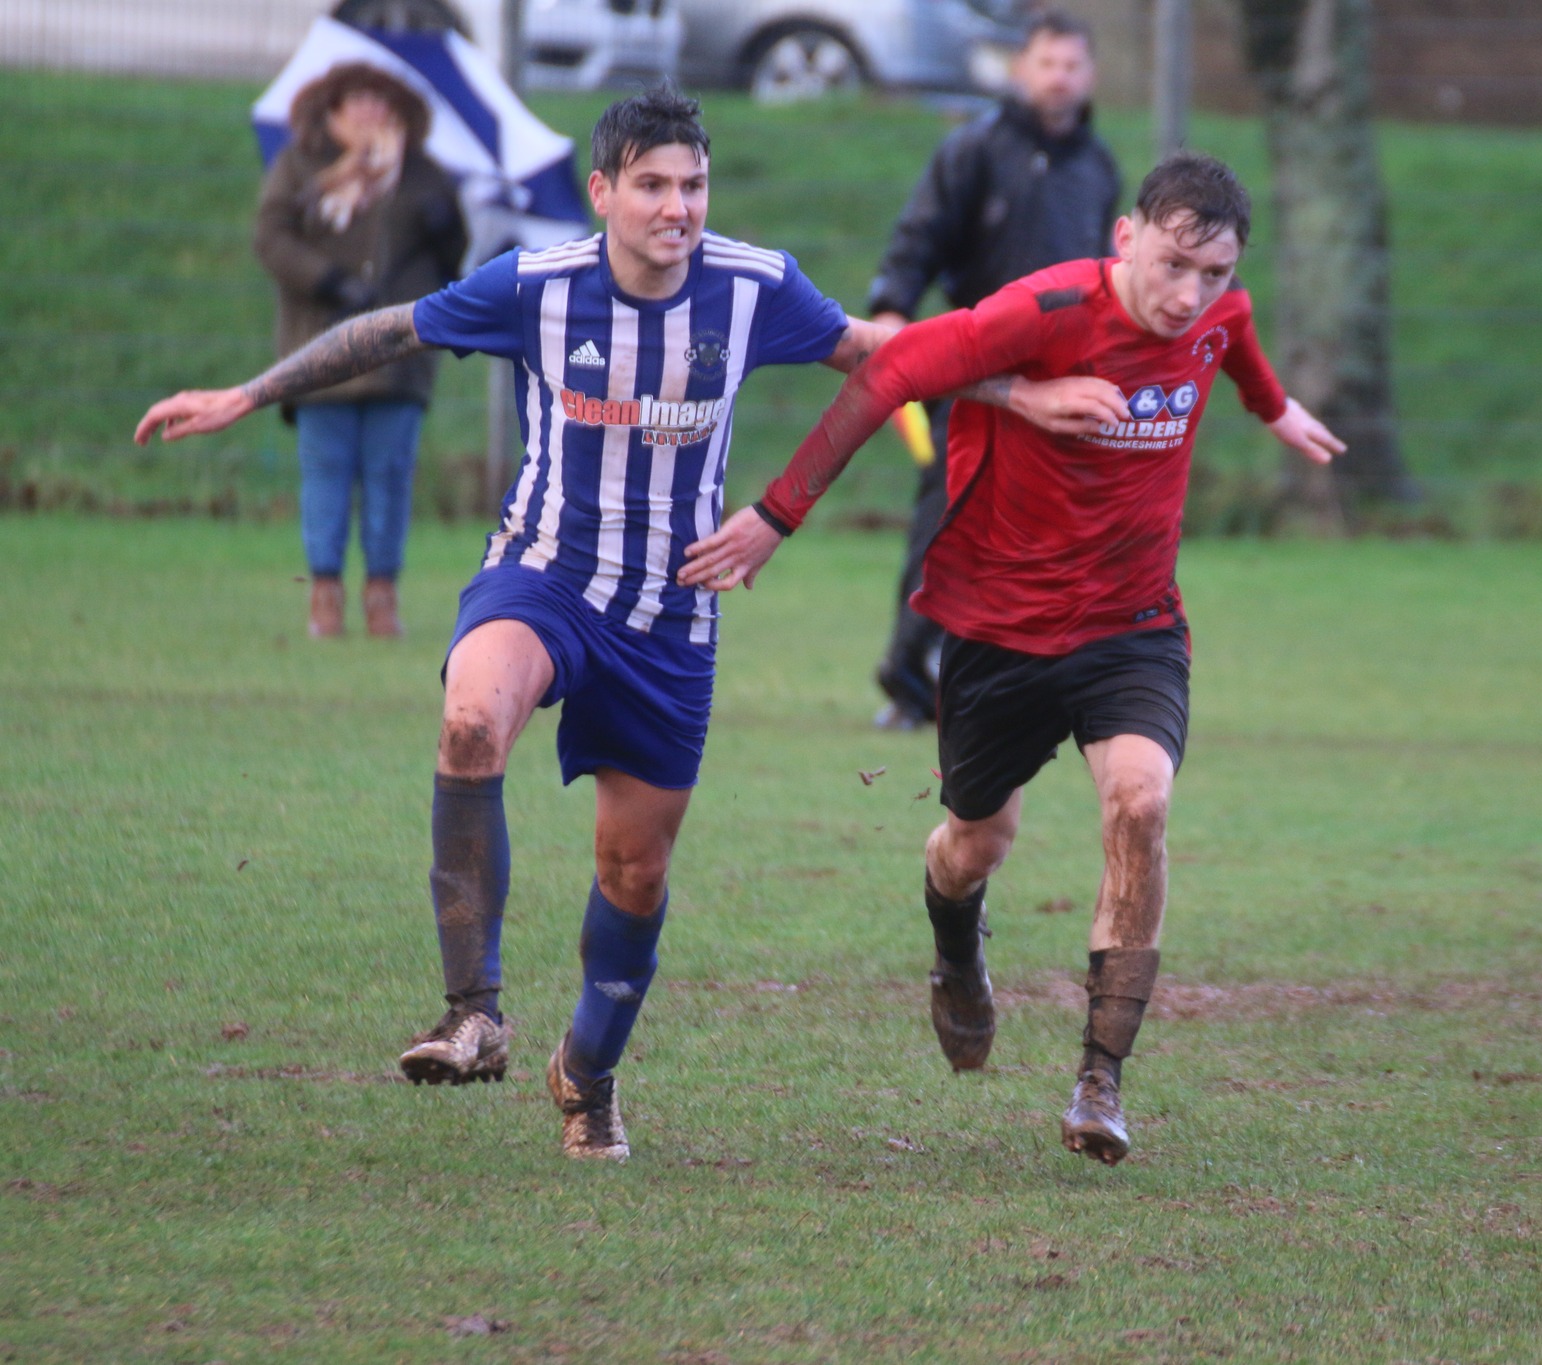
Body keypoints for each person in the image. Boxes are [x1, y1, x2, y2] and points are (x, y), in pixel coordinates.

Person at [137, 89, 942, 1161]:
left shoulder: (755, 288)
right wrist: (248, 391)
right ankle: (473, 1012)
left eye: (692, 185)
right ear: (602, 192)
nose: (676, 207)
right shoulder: (537, 287)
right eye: (650, 185)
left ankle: (588, 1074)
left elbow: (885, 360)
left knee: (633, 873)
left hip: (669, 613)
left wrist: (1016, 380)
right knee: (470, 721)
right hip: (541, 577)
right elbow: (391, 329)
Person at [682, 153, 1346, 1165]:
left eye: (1212, 273)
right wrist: (777, 515)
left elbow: (1236, 340)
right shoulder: (1043, 311)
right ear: (1125, 238)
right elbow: (892, 368)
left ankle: (1098, 1082)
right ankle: (956, 946)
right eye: (1172, 265)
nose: (1189, 296)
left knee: (1139, 801)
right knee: (971, 846)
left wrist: (1272, 410)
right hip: (998, 633)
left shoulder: (1217, 313)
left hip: (1133, 625)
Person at [866, 9, 1120, 728]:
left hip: (1064, 383)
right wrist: (890, 309)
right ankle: (911, 678)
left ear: (1089, 75)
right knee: (946, 520)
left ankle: (1024, 683)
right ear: (1021, 70)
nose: (1060, 77)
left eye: (1073, 64)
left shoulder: (1097, 169)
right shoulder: (974, 150)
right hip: (972, 373)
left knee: (1045, 535)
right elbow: (918, 237)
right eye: (1047, 63)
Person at [254, 62, 468, 638]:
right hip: (318, 353)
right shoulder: (300, 165)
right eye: (358, 101)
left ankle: (382, 597)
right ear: (332, 108)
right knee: (326, 472)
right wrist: (328, 281)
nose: (371, 112)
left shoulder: (425, 174)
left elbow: (453, 262)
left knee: (390, 474)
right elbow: (272, 237)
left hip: (400, 356)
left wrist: (447, 227)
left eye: (382, 101)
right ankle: (324, 595)